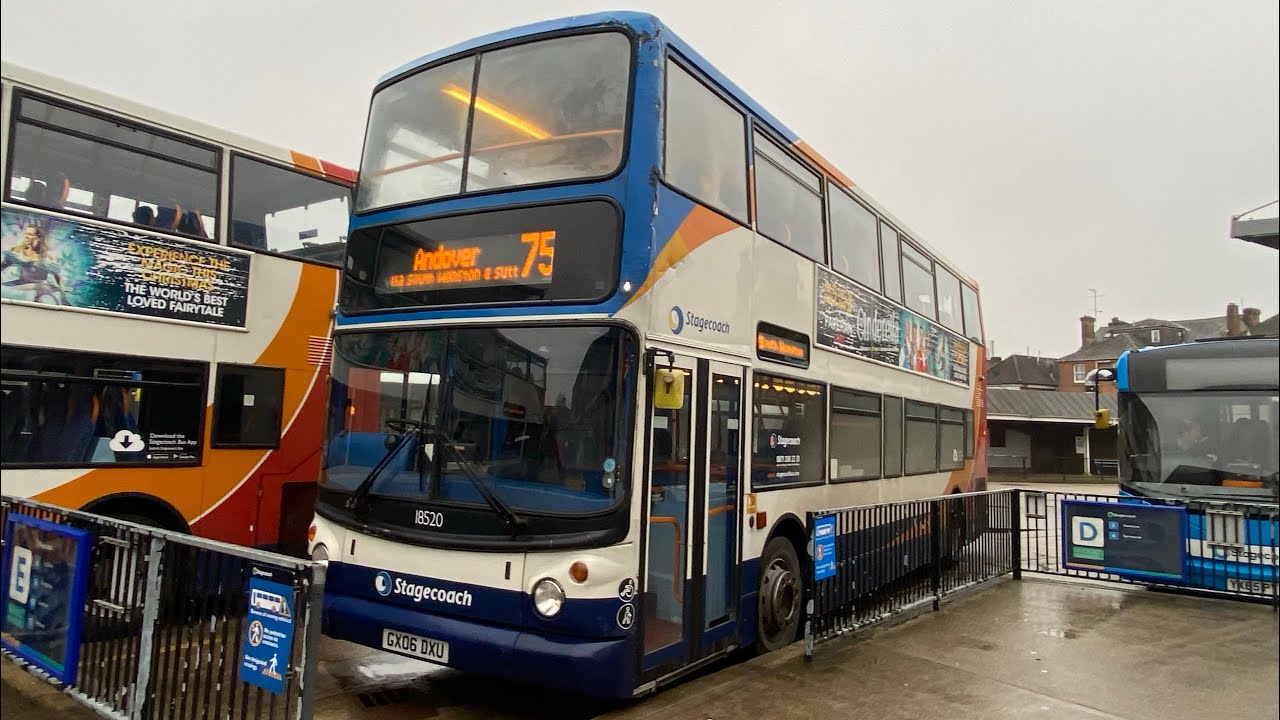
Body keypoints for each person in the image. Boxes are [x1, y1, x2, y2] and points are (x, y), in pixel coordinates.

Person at [2, 223, 67, 305]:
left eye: (30, 234)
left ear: (38, 237)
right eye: (26, 234)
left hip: (40, 287)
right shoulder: (18, 252)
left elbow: (57, 276)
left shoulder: (48, 256)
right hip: (22, 285)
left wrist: (62, 290)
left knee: (47, 298)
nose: (26, 237)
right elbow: (3, 265)